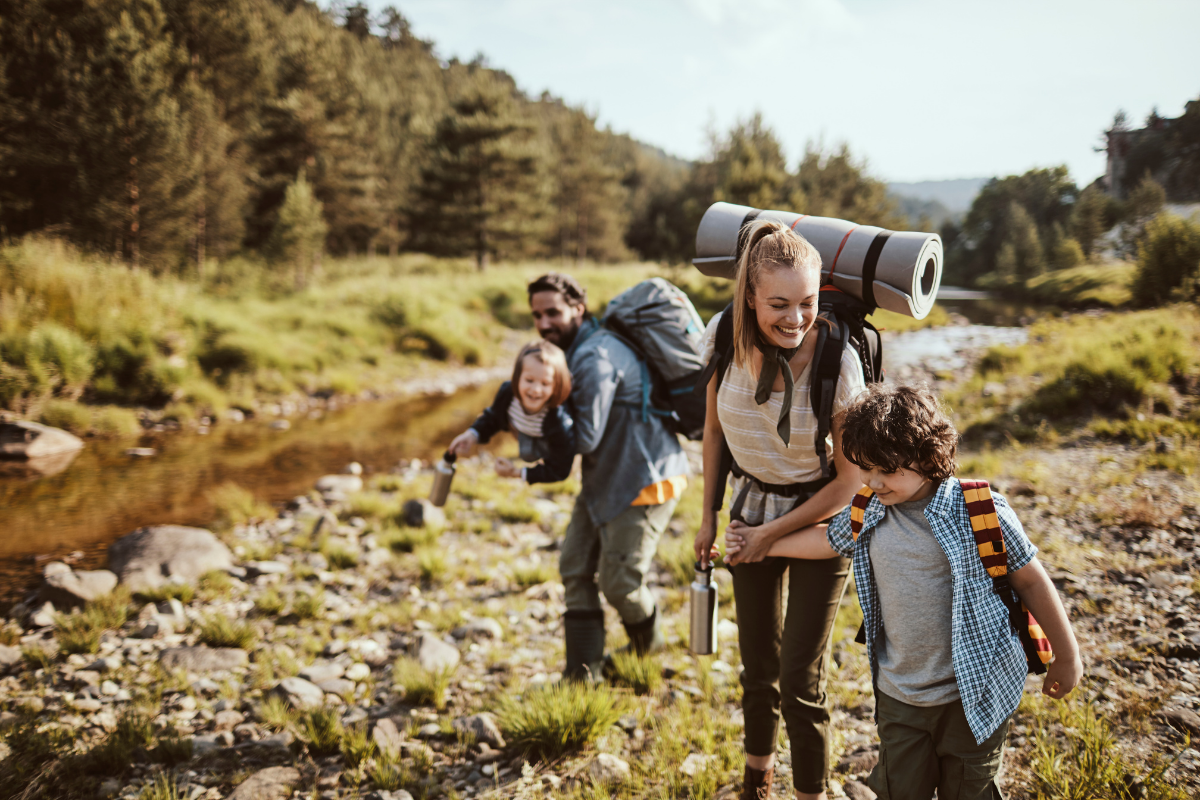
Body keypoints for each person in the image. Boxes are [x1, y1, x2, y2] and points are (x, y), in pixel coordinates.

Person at [726, 384, 1083, 800]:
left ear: (929, 456)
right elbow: (828, 541)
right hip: (901, 696)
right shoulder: (868, 508)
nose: (873, 481)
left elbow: (1031, 581)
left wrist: (1068, 655)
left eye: (888, 469)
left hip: (976, 693)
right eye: (864, 468)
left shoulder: (980, 511)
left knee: (969, 789)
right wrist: (759, 543)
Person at [693, 220, 866, 800]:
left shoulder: (838, 365)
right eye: (778, 304)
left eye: (808, 303)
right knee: (757, 669)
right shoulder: (721, 336)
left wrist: (771, 536)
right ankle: (757, 781)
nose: (795, 318)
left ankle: (810, 793)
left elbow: (849, 483)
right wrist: (710, 517)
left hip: (820, 520)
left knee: (800, 679)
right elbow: (714, 434)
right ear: (748, 297)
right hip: (748, 509)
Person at [527, 272, 689, 679]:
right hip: (605, 481)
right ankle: (582, 674)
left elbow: (583, 437)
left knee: (620, 583)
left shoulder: (594, 357)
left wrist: (536, 413)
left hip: (645, 481)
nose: (544, 323)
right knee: (574, 566)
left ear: (578, 309)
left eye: (553, 312)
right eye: (536, 315)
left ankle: (645, 652)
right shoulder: (580, 351)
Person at [447, 340, 575, 484]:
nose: (536, 389)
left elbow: (559, 470)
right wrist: (472, 435)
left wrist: (516, 472)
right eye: (529, 380)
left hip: (546, 440)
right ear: (517, 377)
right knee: (525, 450)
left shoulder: (559, 421)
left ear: (556, 386)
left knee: (528, 452)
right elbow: (492, 418)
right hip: (522, 428)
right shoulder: (508, 393)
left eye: (545, 383)